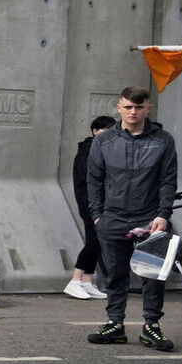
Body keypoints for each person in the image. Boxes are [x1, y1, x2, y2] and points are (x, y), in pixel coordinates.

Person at [86, 86, 179, 352]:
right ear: (119, 108)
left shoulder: (163, 140)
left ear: (148, 108)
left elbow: (167, 181)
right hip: (112, 218)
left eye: (139, 107)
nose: (133, 112)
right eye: (128, 107)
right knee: (115, 274)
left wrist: (163, 215)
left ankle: (152, 326)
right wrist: (97, 216)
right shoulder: (104, 141)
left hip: (150, 218)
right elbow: (94, 180)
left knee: (153, 275)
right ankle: (115, 324)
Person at [66, 115, 117, 300]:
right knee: (94, 241)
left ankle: (87, 281)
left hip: (100, 203)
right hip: (90, 203)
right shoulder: (88, 151)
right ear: (95, 131)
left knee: (97, 241)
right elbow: (89, 180)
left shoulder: (100, 149)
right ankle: (75, 280)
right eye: (106, 131)